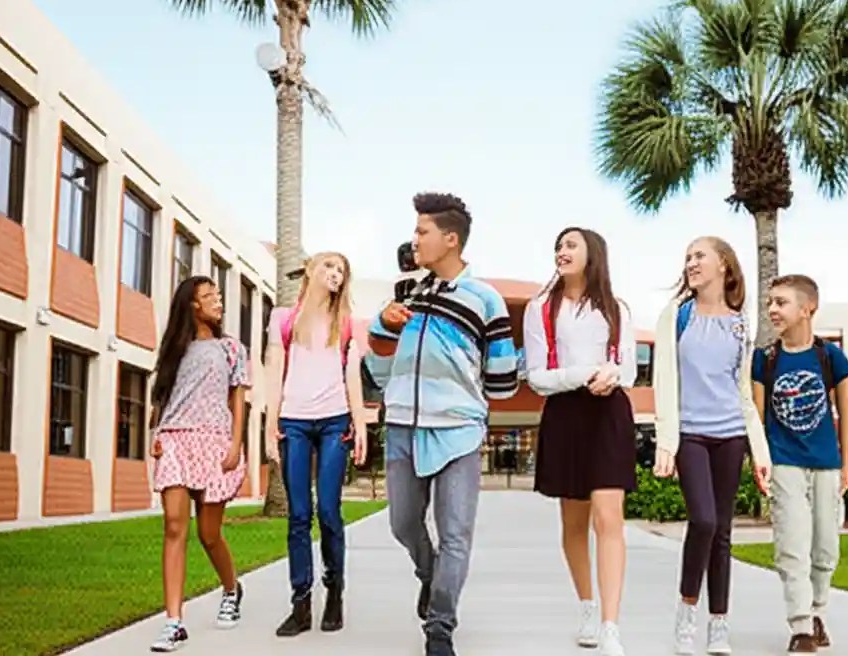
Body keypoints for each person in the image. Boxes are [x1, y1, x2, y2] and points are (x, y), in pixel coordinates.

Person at [364, 192, 519, 656]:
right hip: (402, 427)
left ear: (450, 239)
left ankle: (440, 628)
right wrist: (384, 321)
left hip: (457, 430)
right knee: (403, 524)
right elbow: (378, 355)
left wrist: (466, 392)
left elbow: (504, 380)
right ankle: (429, 577)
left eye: (422, 231)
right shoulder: (409, 291)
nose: (414, 240)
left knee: (455, 534)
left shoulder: (486, 299)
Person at [651, 236, 772, 655]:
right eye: (687, 257)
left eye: (699, 255)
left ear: (724, 264)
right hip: (690, 434)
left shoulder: (741, 324)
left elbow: (742, 392)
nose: (691, 262)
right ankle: (687, 611)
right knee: (702, 521)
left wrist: (760, 452)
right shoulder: (676, 316)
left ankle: (718, 624)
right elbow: (663, 382)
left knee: (722, 531)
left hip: (731, 434)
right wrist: (665, 442)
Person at [522, 226, 637, 656]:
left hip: (609, 414)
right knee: (574, 522)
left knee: (609, 517)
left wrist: (610, 374)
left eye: (571, 244)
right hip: (565, 412)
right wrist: (584, 374)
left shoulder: (618, 308)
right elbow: (537, 375)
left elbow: (627, 368)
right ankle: (587, 605)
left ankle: (611, 624)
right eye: (558, 245)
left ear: (593, 252)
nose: (562, 251)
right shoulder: (540, 309)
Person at [264, 252, 369, 637]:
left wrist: (359, 424)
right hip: (293, 421)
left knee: (328, 510)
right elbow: (274, 372)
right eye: (328, 265)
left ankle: (335, 591)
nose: (335, 273)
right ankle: (300, 603)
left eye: (341, 270)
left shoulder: (346, 324)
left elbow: (352, 375)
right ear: (310, 269)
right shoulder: (282, 319)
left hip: (333, 421)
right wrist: (269, 424)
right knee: (297, 516)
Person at [751, 274, 848, 654]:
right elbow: (758, 418)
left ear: (807, 308)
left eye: (781, 302)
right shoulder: (765, 360)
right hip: (784, 463)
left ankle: (817, 613)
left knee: (826, 546)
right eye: (770, 303)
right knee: (792, 545)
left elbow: (847, 414)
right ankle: (800, 625)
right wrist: (759, 462)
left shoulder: (830, 357)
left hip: (827, 464)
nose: (772, 310)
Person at [146, 275, 251, 653]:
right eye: (210, 296)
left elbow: (239, 401)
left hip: (214, 440)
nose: (218, 301)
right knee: (174, 527)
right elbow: (160, 400)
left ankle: (231, 589)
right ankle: (174, 622)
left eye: (217, 295)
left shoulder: (231, 349)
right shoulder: (174, 350)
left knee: (209, 533)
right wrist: (155, 436)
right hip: (174, 439)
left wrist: (236, 444)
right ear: (192, 305)